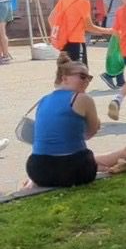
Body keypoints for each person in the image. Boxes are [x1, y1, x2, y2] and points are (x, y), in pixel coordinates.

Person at [25, 54, 100, 189]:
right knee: (86, 157)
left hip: (38, 170)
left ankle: (32, 182)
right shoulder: (83, 98)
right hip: (74, 170)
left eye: (89, 78)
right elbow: (93, 130)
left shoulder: (43, 100)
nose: (87, 81)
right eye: (82, 76)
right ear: (64, 78)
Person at [48, 0, 111, 65]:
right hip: (76, 44)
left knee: (66, 76)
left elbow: (51, 18)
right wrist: (110, 31)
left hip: (64, 45)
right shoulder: (83, 2)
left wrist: (61, 36)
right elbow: (89, 27)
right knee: (80, 76)